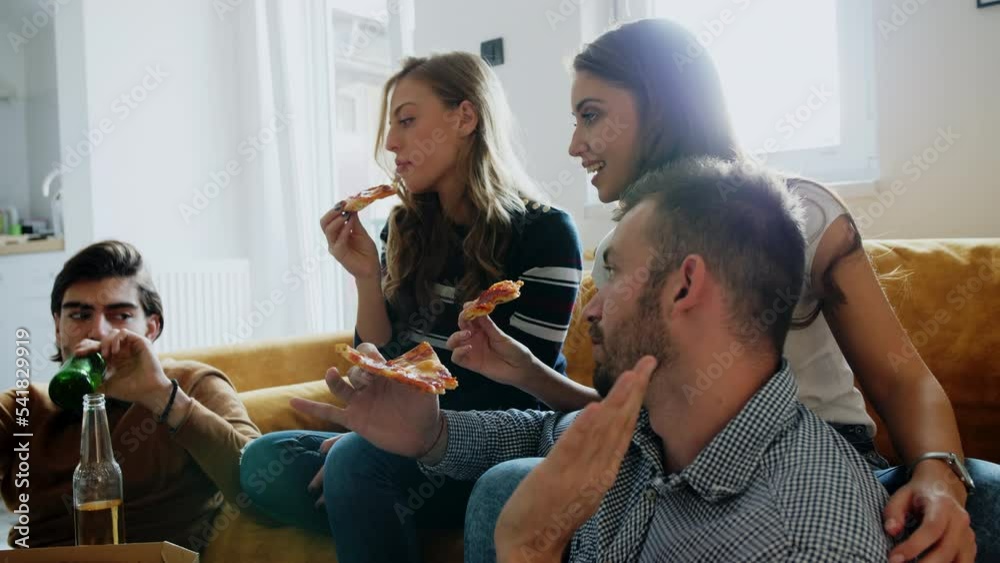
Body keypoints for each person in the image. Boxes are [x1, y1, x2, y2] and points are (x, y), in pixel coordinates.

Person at [447, 18, 996, 562]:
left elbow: (903, 378)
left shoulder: (796, 215)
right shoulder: (625, 251)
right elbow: (638, 418)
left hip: (822, 456)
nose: (574, 146)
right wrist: (524, 371)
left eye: (591, 115)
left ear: (661, 105)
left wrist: (939, 472)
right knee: (508, 485)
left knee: (989, 493)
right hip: (677, 461)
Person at [294, 158, 895, 561]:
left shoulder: (803, 535)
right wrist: (431, 433)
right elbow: (546, 432)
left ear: (685, 287)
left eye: (613, 276)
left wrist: (527, 550)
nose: (593, 308)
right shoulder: (654, 422)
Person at [238, 51, 582, 562]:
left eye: (406, 120)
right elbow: (381, 361)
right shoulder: (403, 226)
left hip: (498, 451)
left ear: (465, 118)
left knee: (354, 463)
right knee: (263, 458)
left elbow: (514, 392)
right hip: (407, 446)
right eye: (390, 126)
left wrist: (382, 443)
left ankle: (368, 494)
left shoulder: (546, 234)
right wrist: (366, 278)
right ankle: (375, 501)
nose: (391, 143)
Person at [0, 240, 260, 551]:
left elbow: (263, 486)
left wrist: (162, 397)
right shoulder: (24, 406)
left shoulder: (191, 384)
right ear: (58, 327)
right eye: (79, 316)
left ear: (151, 328)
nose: (97, 331)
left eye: (120, 316)